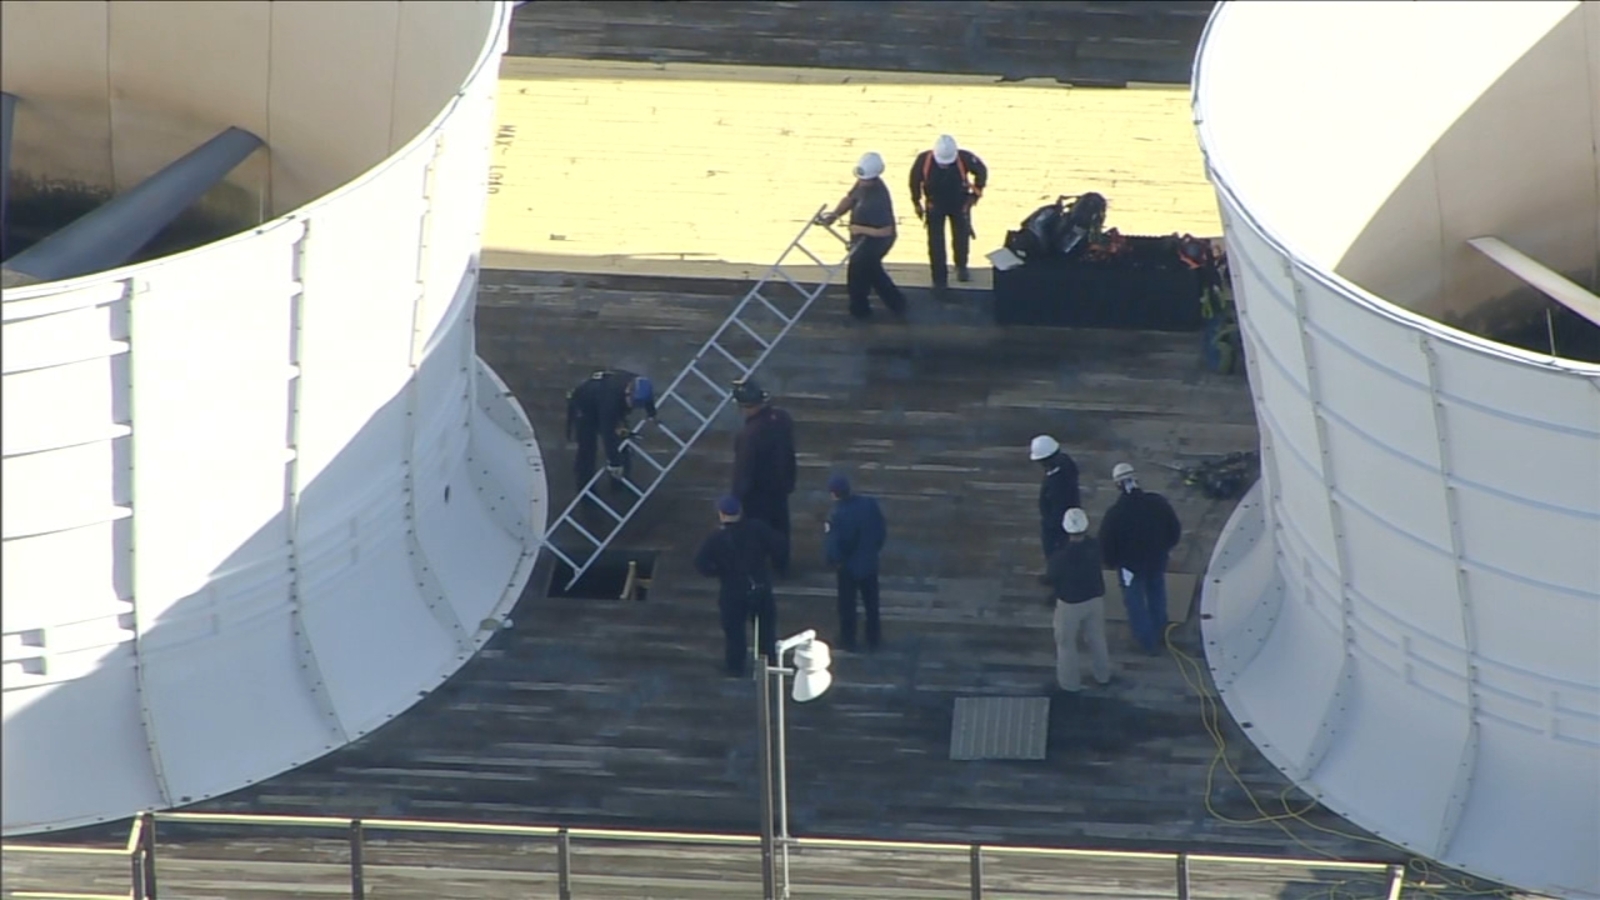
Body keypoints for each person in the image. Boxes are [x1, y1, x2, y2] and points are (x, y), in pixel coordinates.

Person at [694, 495, 787, 676]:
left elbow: (700, 563)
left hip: (732, 590)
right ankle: (767, 665)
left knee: (734, 631)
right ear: (740, 511)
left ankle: (735, 667)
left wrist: (719, 571)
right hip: (760, 586)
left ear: (721, 514)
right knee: (766, 630)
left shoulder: (716, 538)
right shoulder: (757, 528)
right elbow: (780, 544)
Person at [1098, 463, 1183, 656]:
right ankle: (1161, 630)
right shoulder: (1157, 503)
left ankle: (1147, 642)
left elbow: (1106, 546)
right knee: (1157, 593)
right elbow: (1174, 529)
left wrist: (1113, 563)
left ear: (1117, 485)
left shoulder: (1114, 515)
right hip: (1157, 559)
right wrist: (1165, 548)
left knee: (1135, 603)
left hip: (1130, 568)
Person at [817, 151, 908, 321]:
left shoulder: (879, 197)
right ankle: (894, 305)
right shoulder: (862, 184)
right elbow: (850, 199)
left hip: (878, 240)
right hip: (861, 237)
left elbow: (887, 230)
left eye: (865, 179)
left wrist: (859, 229)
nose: (861, 182)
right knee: (870, 271)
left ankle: (862, 309)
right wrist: (834, 215)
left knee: (861, 270)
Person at [1038, 508, 1112, 692]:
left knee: (1066, 644)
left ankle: (1069, 683)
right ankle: (1103, 675)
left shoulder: (1060, 557)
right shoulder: (1095, 547)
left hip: (1070, 604)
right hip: (1095, 599)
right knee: (1097, 639)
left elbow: (1051, 578)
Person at [731, 378, 798, 576]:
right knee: (781, 528)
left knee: (755, 533)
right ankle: (782, 565)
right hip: (781, 486)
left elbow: (743, 470)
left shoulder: (748, 435)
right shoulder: (782, 418)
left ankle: (757, 569)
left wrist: (736, 499)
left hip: (757, 493)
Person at [909, 134, 988, 289]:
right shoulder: (923, 160)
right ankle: (939, 278)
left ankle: (961, 266)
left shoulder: (964, 158)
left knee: (961, 236)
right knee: (935, 243)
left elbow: (982, 171)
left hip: (959, 204)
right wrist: (916, 202)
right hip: (934, 205)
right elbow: (914, 181)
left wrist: (975, 194)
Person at [823, 474, 888, 652]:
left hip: (848, 568)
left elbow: (834, 543)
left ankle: (848, 639)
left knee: (847, 605)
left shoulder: (836, 514)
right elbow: (880, 530)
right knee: (871, 603)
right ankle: (873, 636)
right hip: (869, 561)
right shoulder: (869, 505)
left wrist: (834, 560)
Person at [566, 369, 656, 491]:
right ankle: (585, 488)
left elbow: (648, 398)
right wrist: (614, 463)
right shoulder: (610, 400)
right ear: (628, 392)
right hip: (585, 409)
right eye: (632, 403)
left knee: (623, 443)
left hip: (608, 406)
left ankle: (620, 482)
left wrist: (652, 413)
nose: (632, 407)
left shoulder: (638, 383)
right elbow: (608, 433)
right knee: (587, 450)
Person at [1029, 435, 1081, 561]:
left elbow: (1057, 511)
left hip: (1057, 532)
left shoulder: (1056, 483)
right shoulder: (1066, 465)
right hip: (1071, 522)